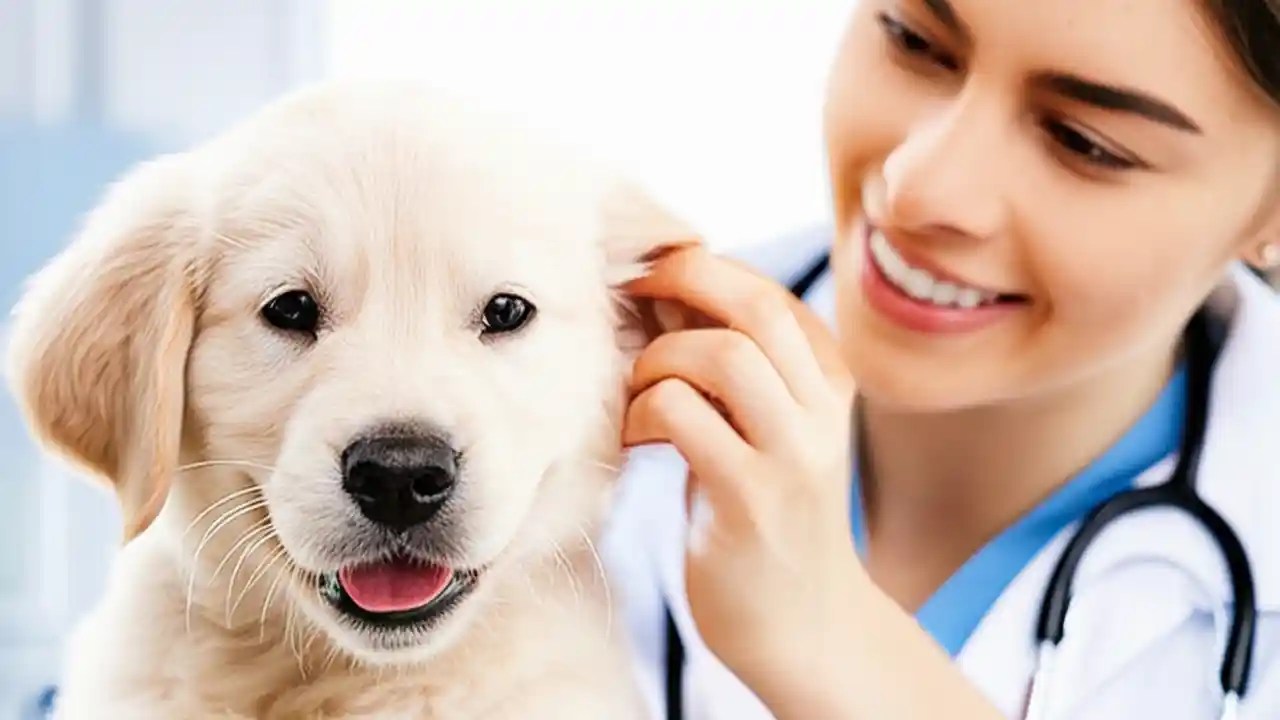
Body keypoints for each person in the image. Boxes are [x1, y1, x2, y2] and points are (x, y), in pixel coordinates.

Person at [599, 1, 1280, 718]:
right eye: (913, 40)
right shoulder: (566, 380)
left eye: (1085, 143)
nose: (917, 185)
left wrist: (829, 637)